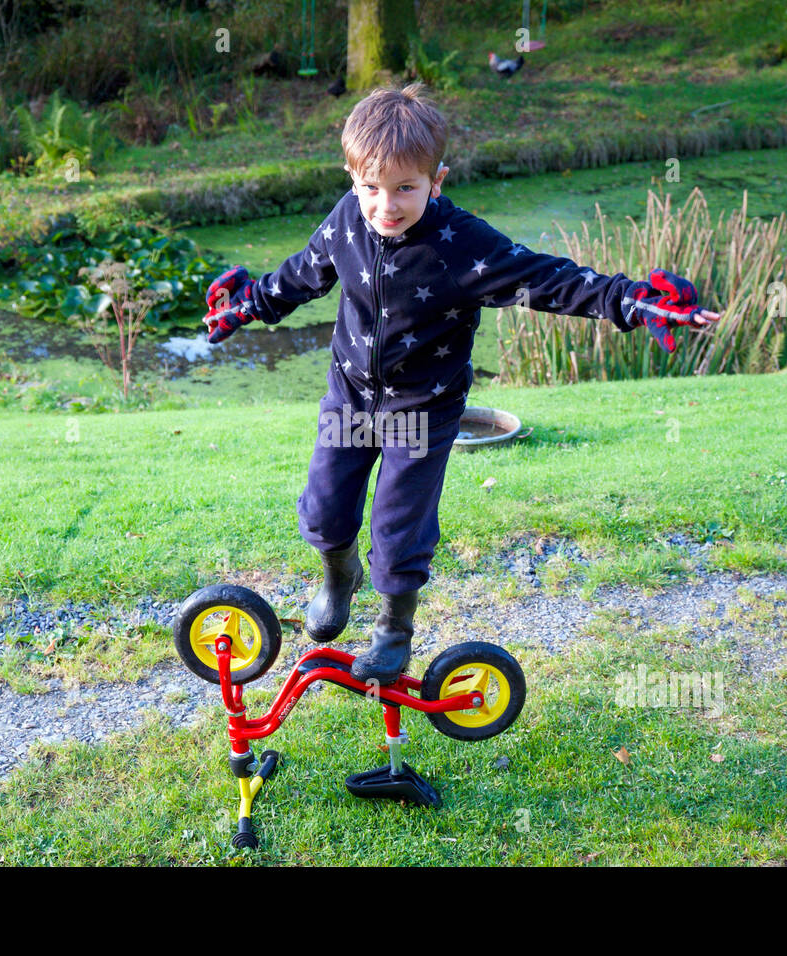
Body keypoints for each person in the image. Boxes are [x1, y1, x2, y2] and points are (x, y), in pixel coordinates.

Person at [202, 82, 721, 684]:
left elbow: (547, 278)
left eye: (405, 189)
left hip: (422, 408)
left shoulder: (460, 245)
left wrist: (629, 300)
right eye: (371, 188)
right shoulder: (348, 220)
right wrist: (248, 305)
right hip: (349, 395)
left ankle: (394, 627)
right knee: (323, 513)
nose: (386, 206)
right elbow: (301, 275)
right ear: (352, 178)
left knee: (397, 533)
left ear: (436, 179)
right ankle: (335, 579)